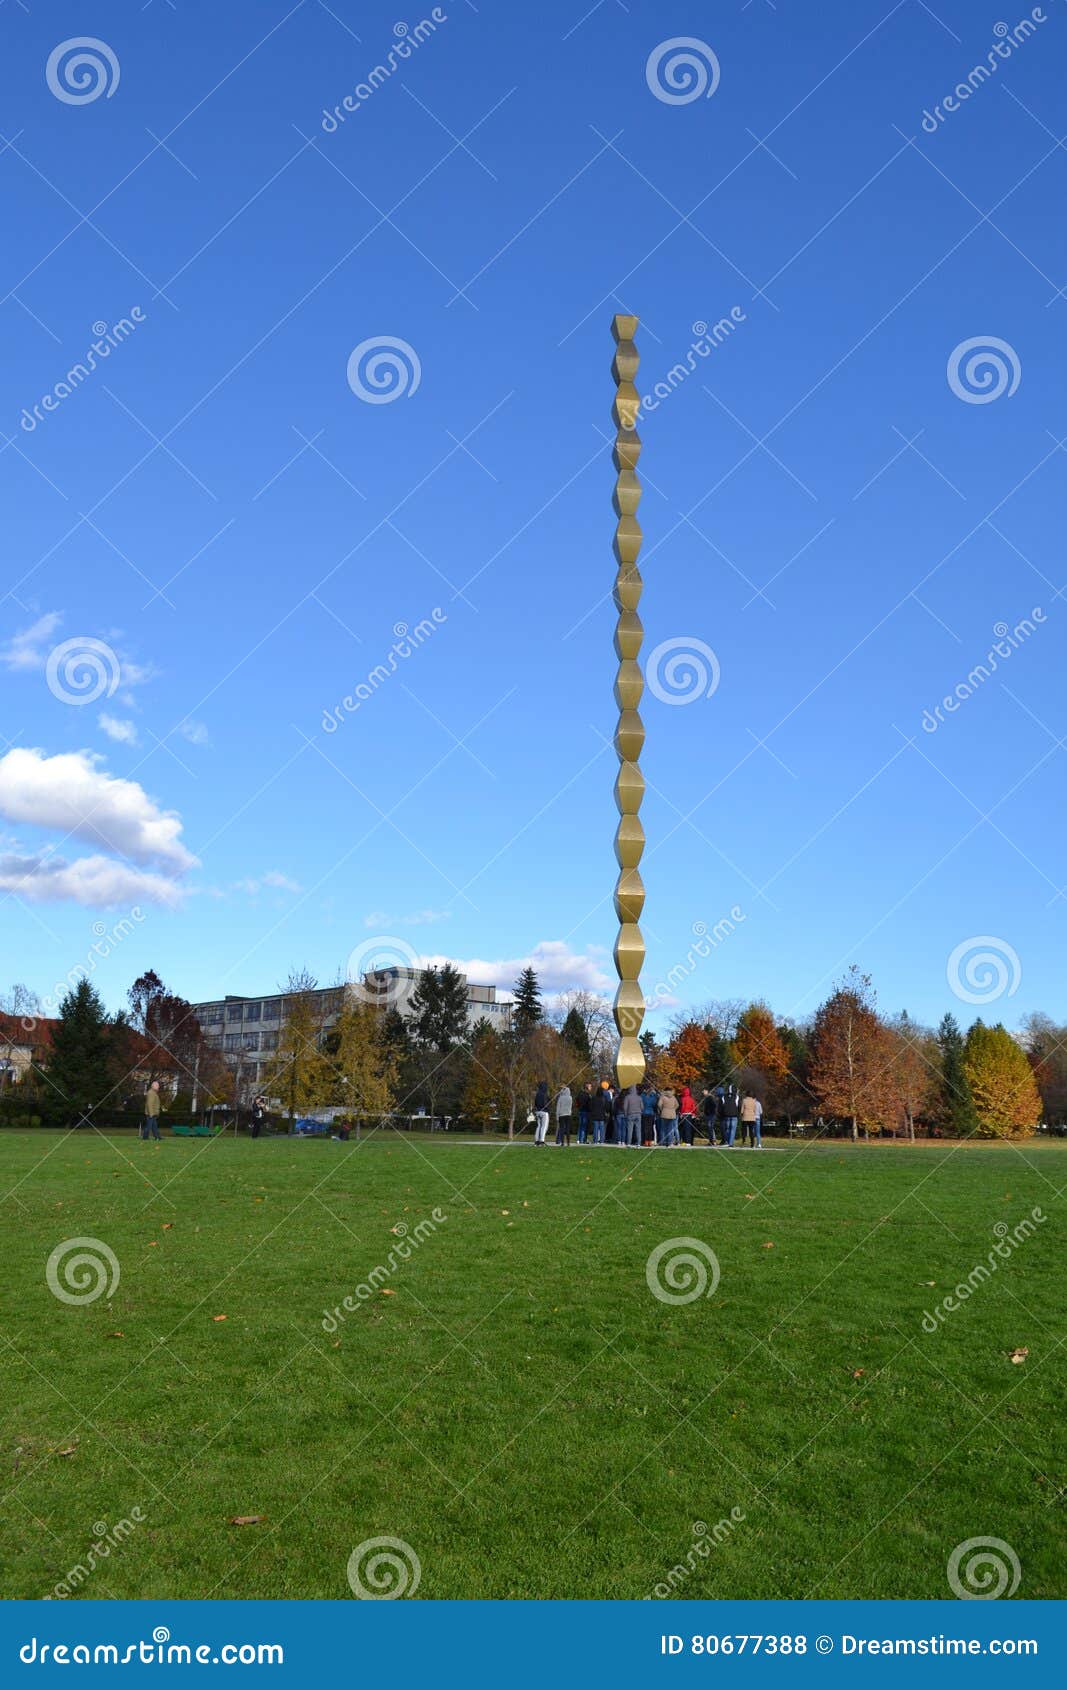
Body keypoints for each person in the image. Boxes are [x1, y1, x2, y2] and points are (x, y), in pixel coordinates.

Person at [720, 1081, 741, 1147]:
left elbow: (722, 1106)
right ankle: (730, 1143)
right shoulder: (737, 1097)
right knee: (732, 1129)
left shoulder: (724, 1097)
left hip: (726, 1115)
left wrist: (722, 1114)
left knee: (727, 1129)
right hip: (734, 1115)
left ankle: (728, 1142)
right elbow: (739, 1106)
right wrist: (738, 1113)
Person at [533, 1080, 550, 1146]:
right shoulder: (544, 1094)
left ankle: (536, 1140)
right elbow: (545, 1104)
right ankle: (542, 1141)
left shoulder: (537, 1094)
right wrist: (548, 1109)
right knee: (544, 1127)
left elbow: (535, 1103)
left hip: (538, 1112)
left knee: (539, 1126)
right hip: (544, 1112)